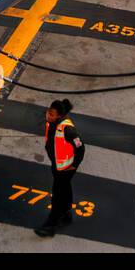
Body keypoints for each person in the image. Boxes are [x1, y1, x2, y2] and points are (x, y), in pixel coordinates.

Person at [36, 98, 85, 238]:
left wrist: (74, 165)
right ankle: (67, 214)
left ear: (59, 116)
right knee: (65, 189)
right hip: (57, 165)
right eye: (48, 112)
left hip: (65, 168)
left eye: (51, 114)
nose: (47, 115)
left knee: (57, 194)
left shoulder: (68, 130)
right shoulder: (52, 123)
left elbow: (80, 147)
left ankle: (50, 225)